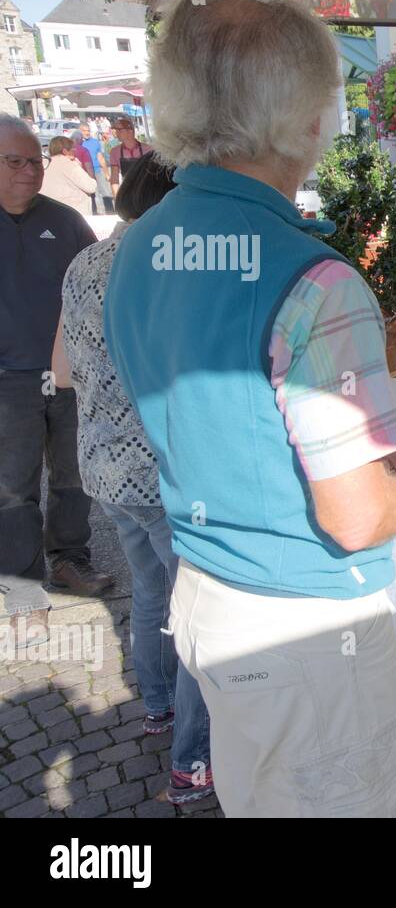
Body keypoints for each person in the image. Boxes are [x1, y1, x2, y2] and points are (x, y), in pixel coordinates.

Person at [104, 0, 396, 817]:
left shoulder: (140, 245)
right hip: (306, 638)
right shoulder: (315, 279)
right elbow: (356, 517)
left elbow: (224, 411)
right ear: (303, 115)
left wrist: (373, 446)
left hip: (209, 606)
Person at [50, 151, 215, 804]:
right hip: (163, 472)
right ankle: (192, 763)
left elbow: (61, 375)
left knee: (151, 595)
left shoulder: (82, 263)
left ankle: (158, 706)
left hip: (102, 465)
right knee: (202, 614)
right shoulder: (167, 266)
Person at [0, 114, 113, 615]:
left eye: (35, 161)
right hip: (7, 381)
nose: (30, 171)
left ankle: (69, 559)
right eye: (15, 161)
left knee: (73, 476)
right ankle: (21, 583)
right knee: (13, 488)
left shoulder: (64, 221)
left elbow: (99, 282)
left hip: (68, 376)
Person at [42, 136, 98, 214]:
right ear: (65, 151)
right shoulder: (69, 164)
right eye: (72, 148)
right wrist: (79, 167)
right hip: (73, 213)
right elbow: (90, 187)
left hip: (47, 211)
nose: (75, 150)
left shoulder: (43, 164)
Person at [109, 118, 150, 196]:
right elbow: (114, 178)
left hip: (147, 192)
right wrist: (117, 198)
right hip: (128, 193)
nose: (116, 133)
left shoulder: (148, 149)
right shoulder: (114, 152)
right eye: (115, 130)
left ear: (130, 131)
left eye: (119, 130)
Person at [78, 121, 110, 215]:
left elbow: (100, 158)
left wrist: (107, 173)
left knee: (105, 193)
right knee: (92, 195)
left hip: (97, 171)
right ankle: (95, 214)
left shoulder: (95, 142)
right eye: (84, 131)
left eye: (88, 130)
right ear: (80, 131)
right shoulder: (78, 144)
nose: (87, 133)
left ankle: (111, 212)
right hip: (85, 173)